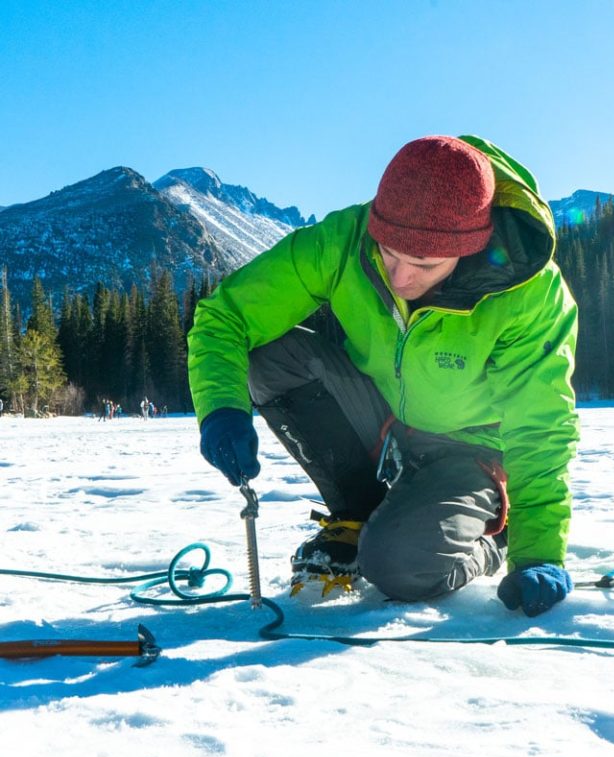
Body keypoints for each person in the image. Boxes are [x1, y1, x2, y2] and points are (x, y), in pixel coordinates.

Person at [188, 135, 579, 617]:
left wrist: (538, 553)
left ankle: (493, 540)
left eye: (423, 264)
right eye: (388, 253)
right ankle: (356, 511)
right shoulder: (346, 240)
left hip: (472, 455)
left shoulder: (530, 295)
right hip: (384, 427)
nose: (398, 280)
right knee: (271, 355)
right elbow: (226, 315)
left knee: (399, 569)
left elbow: (539, 427)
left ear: (470, 246)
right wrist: (221, 410)